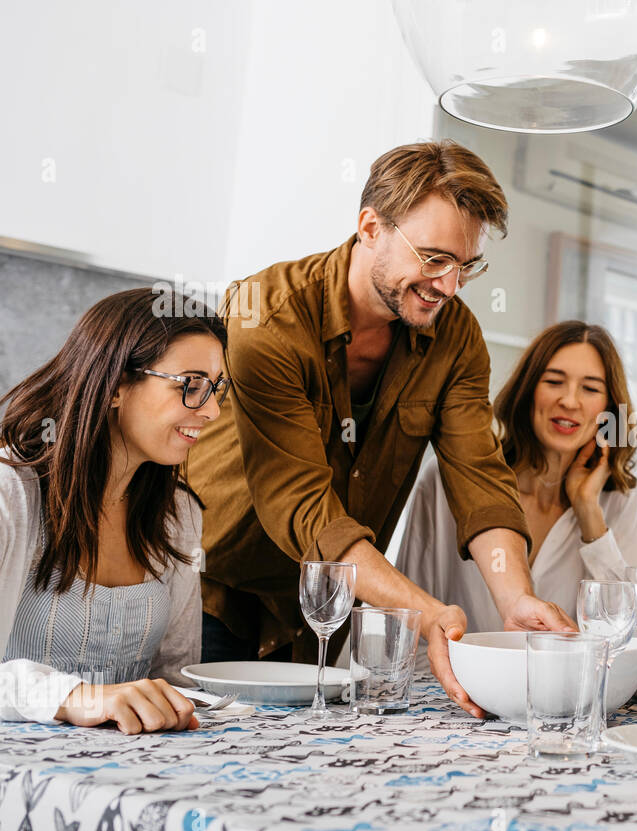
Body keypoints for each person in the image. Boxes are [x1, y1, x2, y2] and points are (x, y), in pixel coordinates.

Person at [187, 141, 572, 719]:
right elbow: (304, 506)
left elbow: (480, 477)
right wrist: (426, 612)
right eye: (435, 258)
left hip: (323, 613)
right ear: (370, 227)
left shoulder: (456, 337)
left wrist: (514, 596)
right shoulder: (266, 313)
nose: (449, 285)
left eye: (467, 265)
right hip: (215, 597)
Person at [0, 288, 226, 734]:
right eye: (191, 386)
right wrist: (75, 696)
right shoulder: (10, 492)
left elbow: (176, 678)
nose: (213, 411)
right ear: (117, 385)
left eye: (217, 388)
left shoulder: (177, 514)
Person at [397, 321, 637, 630]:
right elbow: (410, 621)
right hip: (451, 679)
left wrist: (588, 513)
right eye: (554, 382)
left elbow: (633, 632)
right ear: (528, 390)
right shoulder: (447, 478)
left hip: (567, 680)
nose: (569, 401)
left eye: (591, 388)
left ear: (609, 407)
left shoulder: (619, 501)